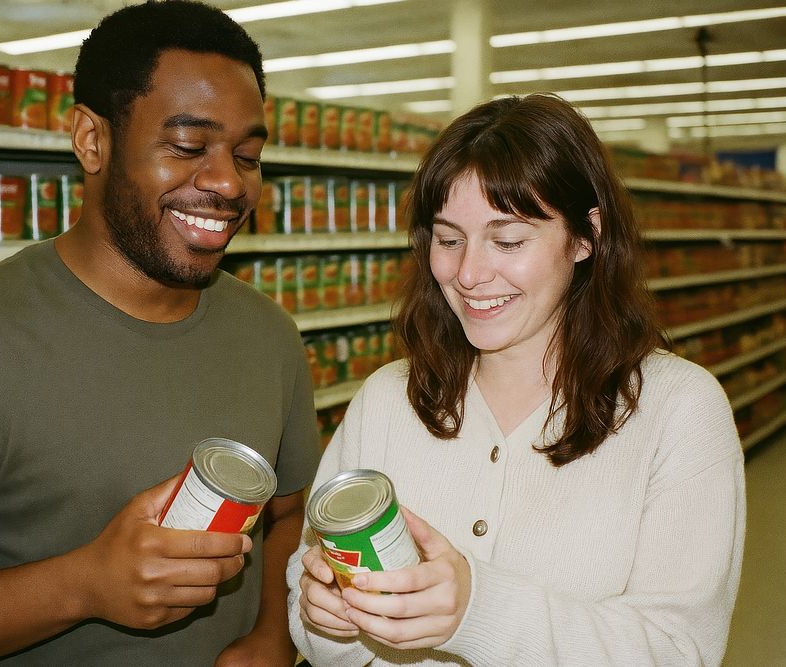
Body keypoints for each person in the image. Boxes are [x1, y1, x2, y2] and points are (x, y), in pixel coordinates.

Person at [0, 1, 320, 664]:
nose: (227, 183)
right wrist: (85, 585)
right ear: (92, 140)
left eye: (248, 155)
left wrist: (270, 639)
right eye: (188, 147)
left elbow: (289, 517)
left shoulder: (270, 336)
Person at [287, 93, 745, 666]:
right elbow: (310, 606)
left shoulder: (678, 410)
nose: (469, 273)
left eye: (508, 241)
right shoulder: (386, 400)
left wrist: (476, 612)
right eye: (448, 240)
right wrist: (326, 617)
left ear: (586, 236)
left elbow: (678, 652)